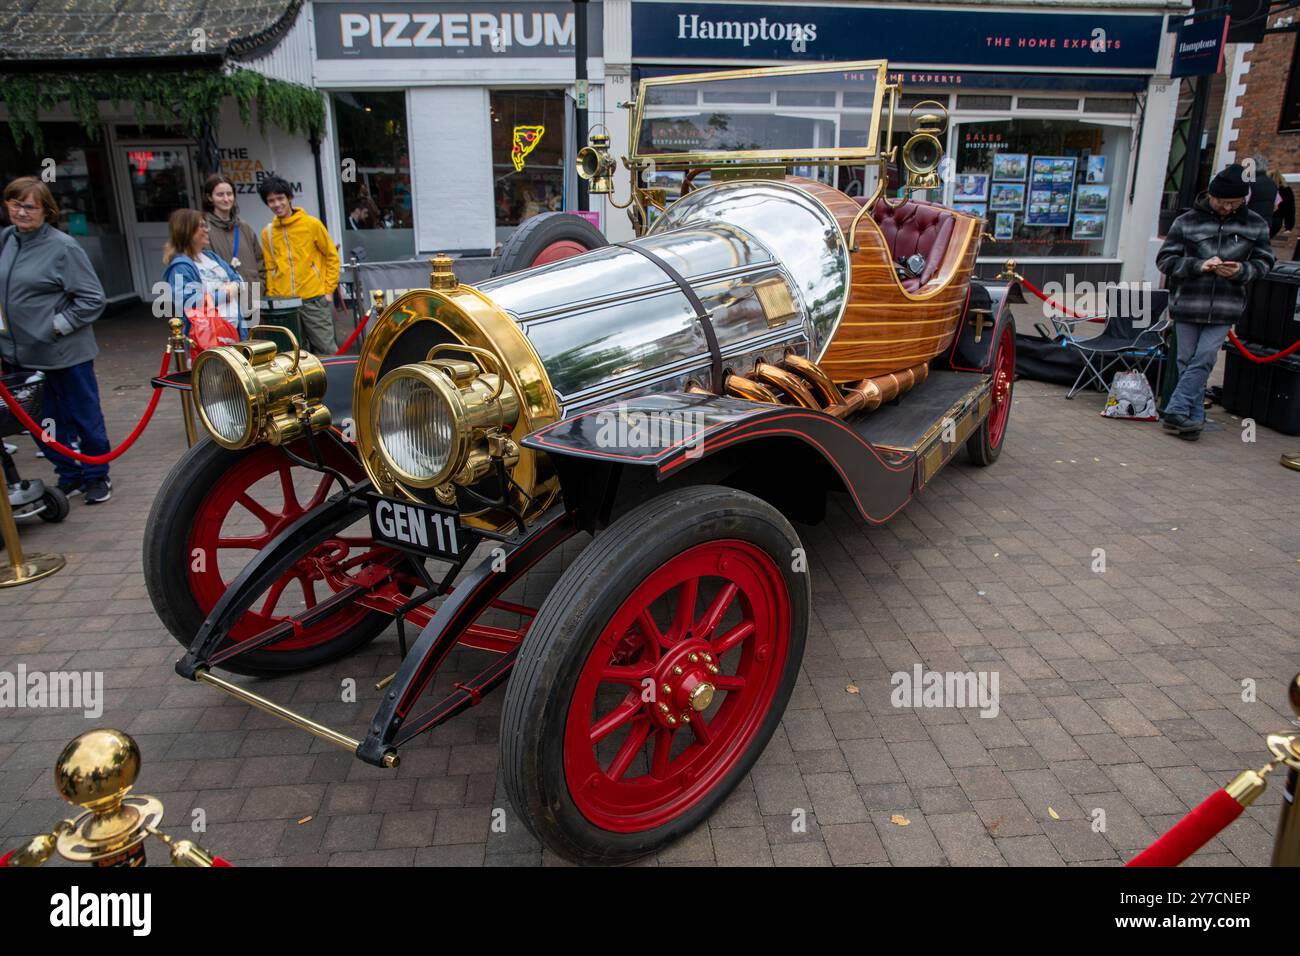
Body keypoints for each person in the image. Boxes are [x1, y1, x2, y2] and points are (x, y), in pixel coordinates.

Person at [0, 176, 112, 503]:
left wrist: (53, 327)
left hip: (66, 355)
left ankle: (96, 475)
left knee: (84, 417)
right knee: (44, 422)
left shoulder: (63, 247)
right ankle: (68, 473)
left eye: (30, 206)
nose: (21, 212)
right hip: (22, 355)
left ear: (45, 210)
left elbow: (92, 299)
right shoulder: (6, 240)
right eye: (15, 203)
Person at [1156, 163, 1276, 441]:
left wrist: (1241, 271)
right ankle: (1193, 419)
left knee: (1205, 357)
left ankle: (1175, 410)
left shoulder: (1255, 224)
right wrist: (1199, 265)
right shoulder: (1186, 221)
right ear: (1211, 195)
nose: (1227, 208)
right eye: (1222, 202)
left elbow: (1265, 261)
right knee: (1187, 361)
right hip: (1188, 301)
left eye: (1234, 203)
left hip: (1226, 304)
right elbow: (1165, 260)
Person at [258, 174, 339, 354]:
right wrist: (273, 297)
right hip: (284, 304)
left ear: (289, 198)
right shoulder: (268, 232)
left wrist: (328, 291)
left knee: (327, 350)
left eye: (280, 198)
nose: (277, 204)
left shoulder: (311, 224)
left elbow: (331, 257)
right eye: (271, 201)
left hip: (313, 299)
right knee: (291, 354)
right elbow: (270, 268)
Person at [161, 208, 245, 338]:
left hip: (234, 332)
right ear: (187, 230)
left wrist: (236, 286)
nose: (207, 230)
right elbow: (188, 302)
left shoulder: (211, 256)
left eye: (206, 225)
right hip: (207, 339)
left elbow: (237, 278)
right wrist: (226, 294)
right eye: (201, 226)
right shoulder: (181, 267)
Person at [202, 173, 264, 294]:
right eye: (220, 195)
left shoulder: (244, 227)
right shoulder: (203, 228)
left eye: (229, 194)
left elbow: (261, 262)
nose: (226, 199)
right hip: (224, 303)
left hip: (252, 300)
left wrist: (260, 287)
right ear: (210, 197)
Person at [1272, 170, 1294, 238]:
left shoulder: (1268, 188)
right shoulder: (1287, 189)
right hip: (1278, 221)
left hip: (1266, 219)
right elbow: (1290, 209)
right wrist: (1289, 227)